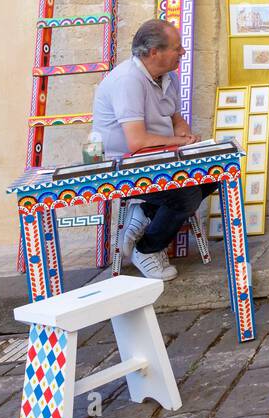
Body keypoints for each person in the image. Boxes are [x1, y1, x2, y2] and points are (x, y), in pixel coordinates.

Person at [91, 19, 217, 280]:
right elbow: (136, 141)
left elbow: (173, 115)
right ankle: (148, 248)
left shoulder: (166, 76)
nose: (182, 53)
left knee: (213, 174)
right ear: (153, 52)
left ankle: (145, 213)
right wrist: (178, 142)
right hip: (124, 164)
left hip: (158, 158)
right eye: (176, 48)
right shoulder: (128, 80)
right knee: (185, 194)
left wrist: (182, 129)